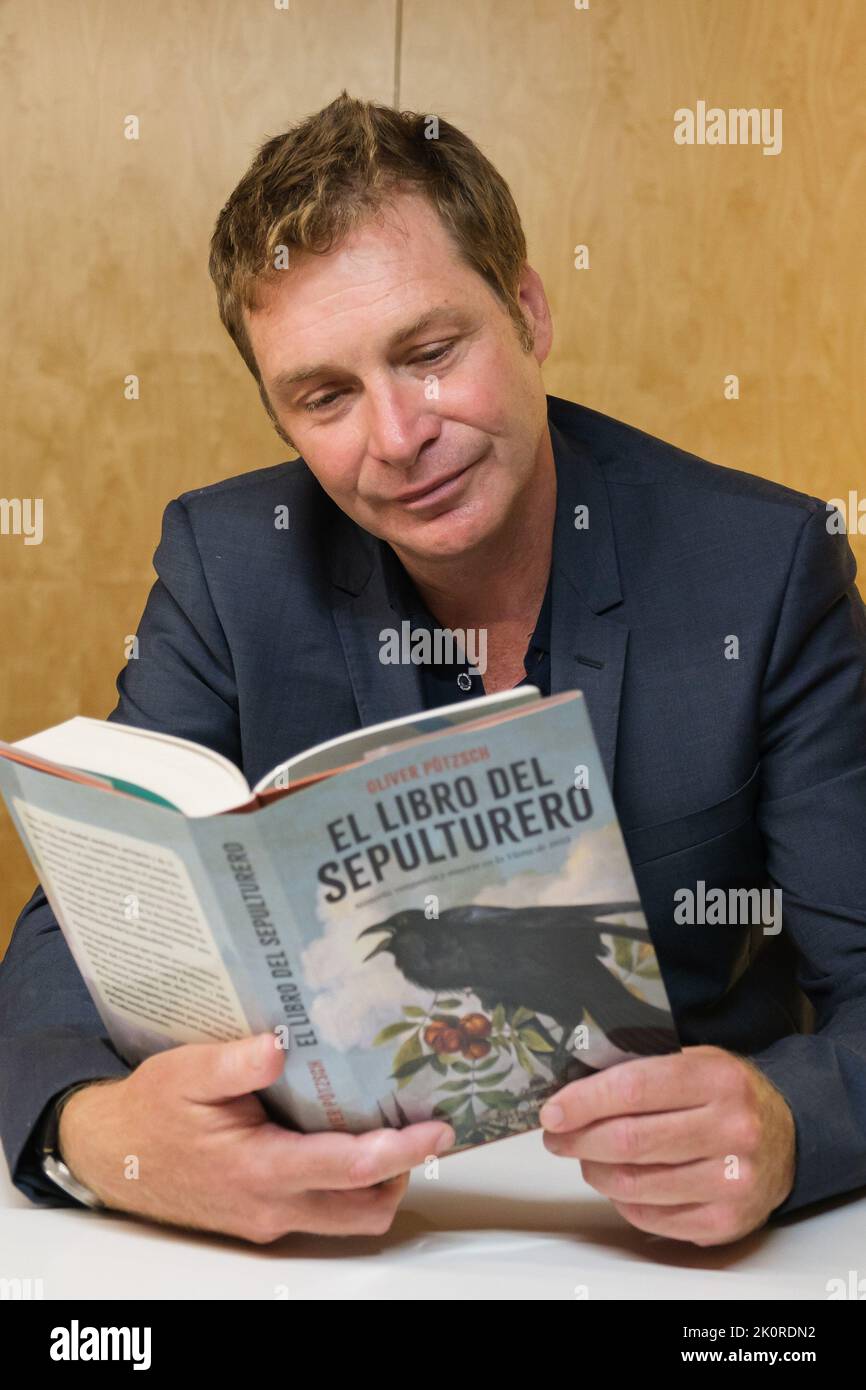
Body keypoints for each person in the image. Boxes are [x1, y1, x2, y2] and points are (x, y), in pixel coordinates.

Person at [2, 91, 865, 1249]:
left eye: (429, 352)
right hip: (322, 1231)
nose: (397, 437)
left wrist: (786, 1124)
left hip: (663, 1239)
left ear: (526, 311)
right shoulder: (226, 567)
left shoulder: (759, 568)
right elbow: (77, 924)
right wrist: (101, 1138)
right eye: (324, 395)